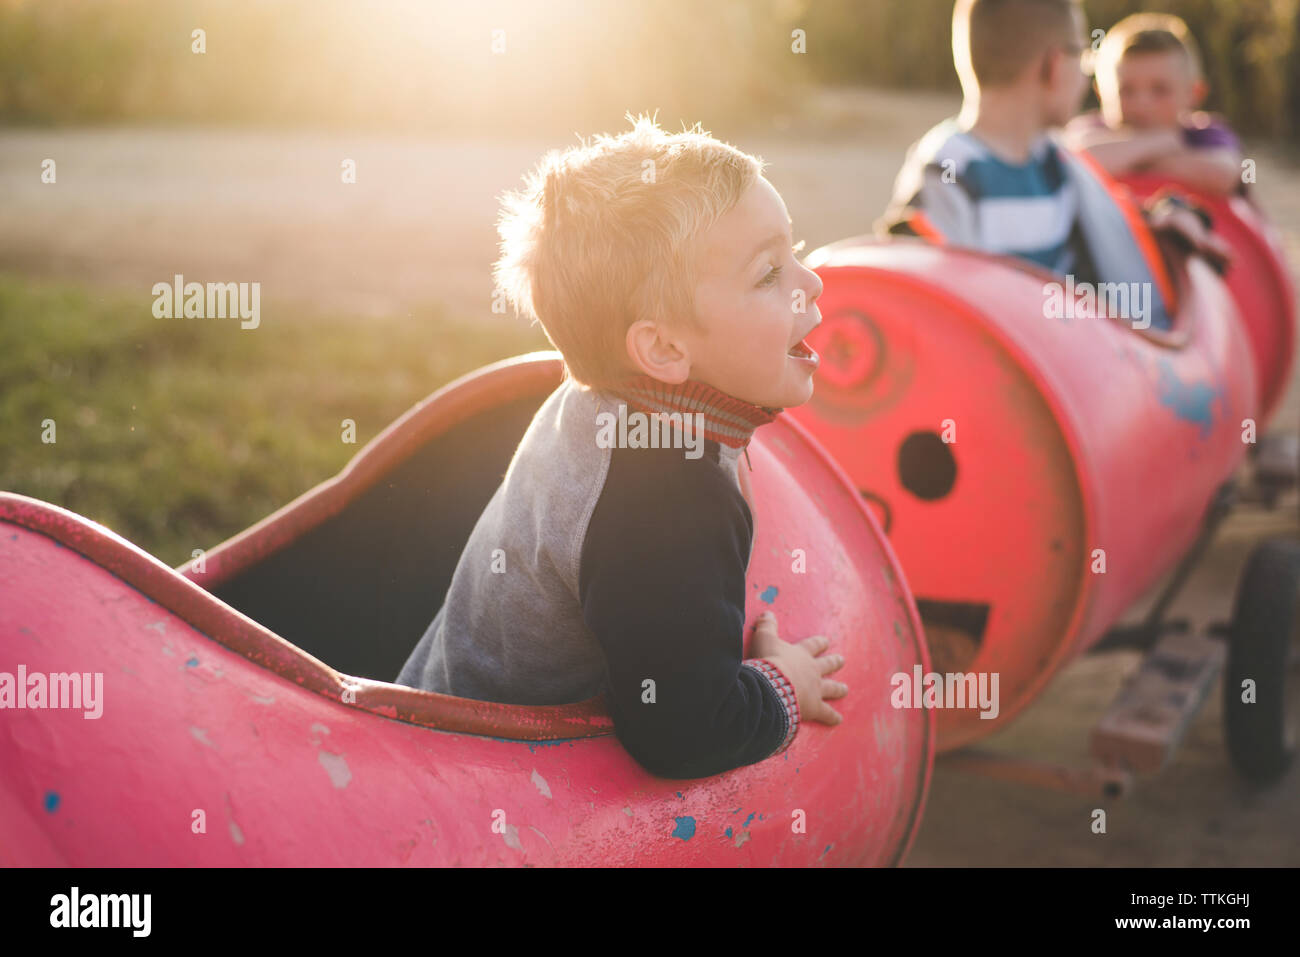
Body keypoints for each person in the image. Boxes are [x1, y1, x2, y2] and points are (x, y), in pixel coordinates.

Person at [395, 114, 848, 779]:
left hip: (426, 713)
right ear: (663, 349)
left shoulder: (604, 400)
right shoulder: (669, 500)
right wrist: (784, 683)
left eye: (796, 250)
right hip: (475, 779)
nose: (811, 283)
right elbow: (684, 728)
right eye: (767, 274)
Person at [880, 0, 1230, 331]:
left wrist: (1171, 218)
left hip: (1075, 365)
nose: (1086, 77)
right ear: (1055, 65)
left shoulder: (1053, 160)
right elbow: (926, 309)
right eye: (1084, 57)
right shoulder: (948, 171)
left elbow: (1110, 223)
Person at [1065, 13, 1244, 196]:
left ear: (1194, 93)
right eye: (1125, 90)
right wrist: (1160, 141)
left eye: (1160, 90)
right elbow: (1076, 161)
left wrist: (1124, 159)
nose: (1142, 104)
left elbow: (1224, 175)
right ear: (1100, 92)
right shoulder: (1091, 128)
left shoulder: (1205, 134)